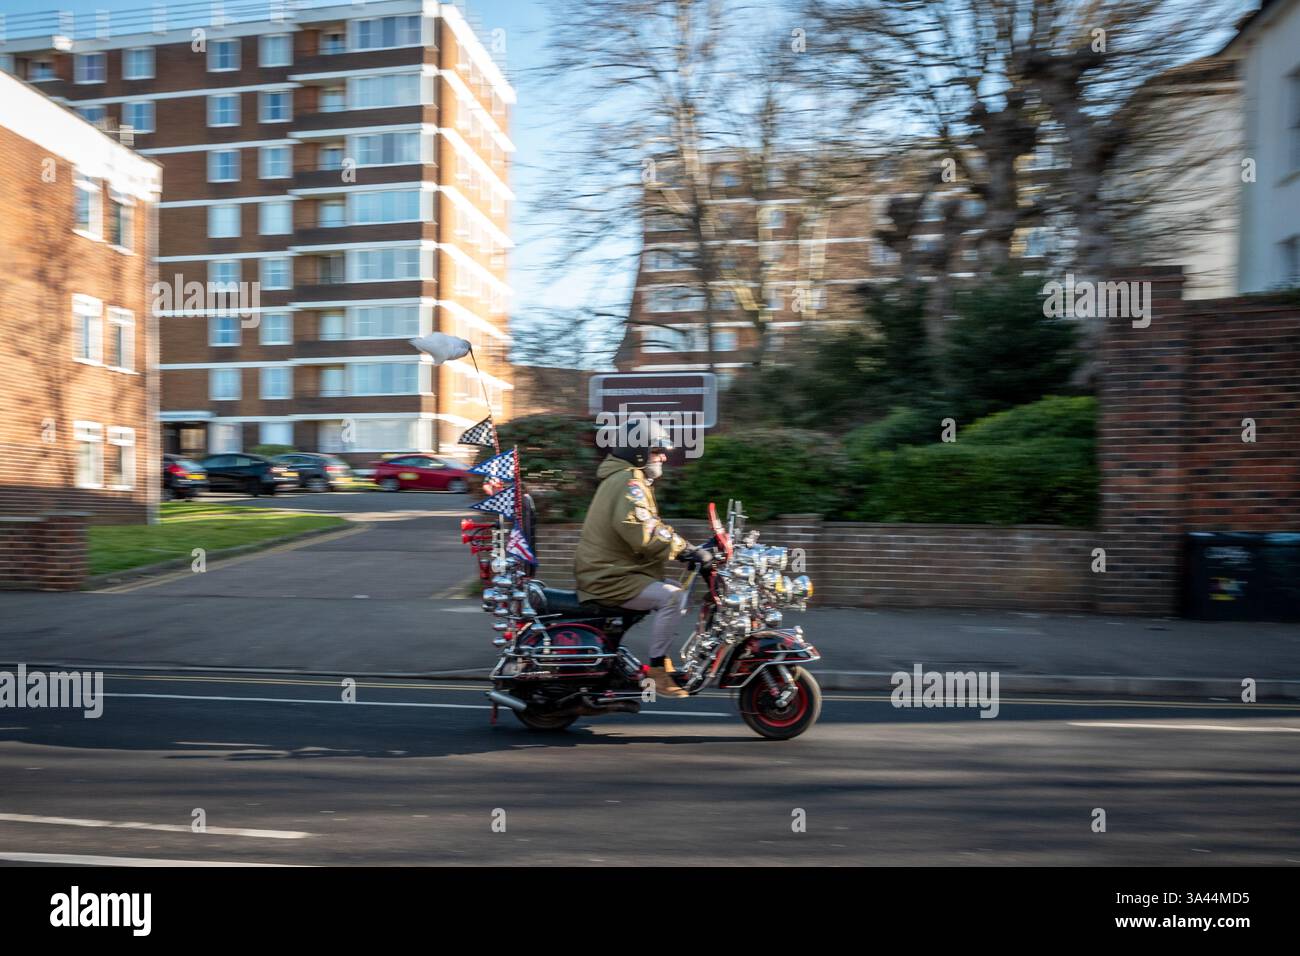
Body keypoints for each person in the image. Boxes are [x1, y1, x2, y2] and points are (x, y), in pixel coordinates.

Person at [573, 424, 709, 699]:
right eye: (657, 451)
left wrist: (690, 548)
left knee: (678, 592)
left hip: (616, 572)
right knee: (672, 597)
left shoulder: (627, 478)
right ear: (638, 453)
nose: (664, 457)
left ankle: (659, 663)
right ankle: (657, 671)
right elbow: (643, 531)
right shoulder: (629, 482)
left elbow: (648, 526)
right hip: (608, 578)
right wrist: (685, 549)